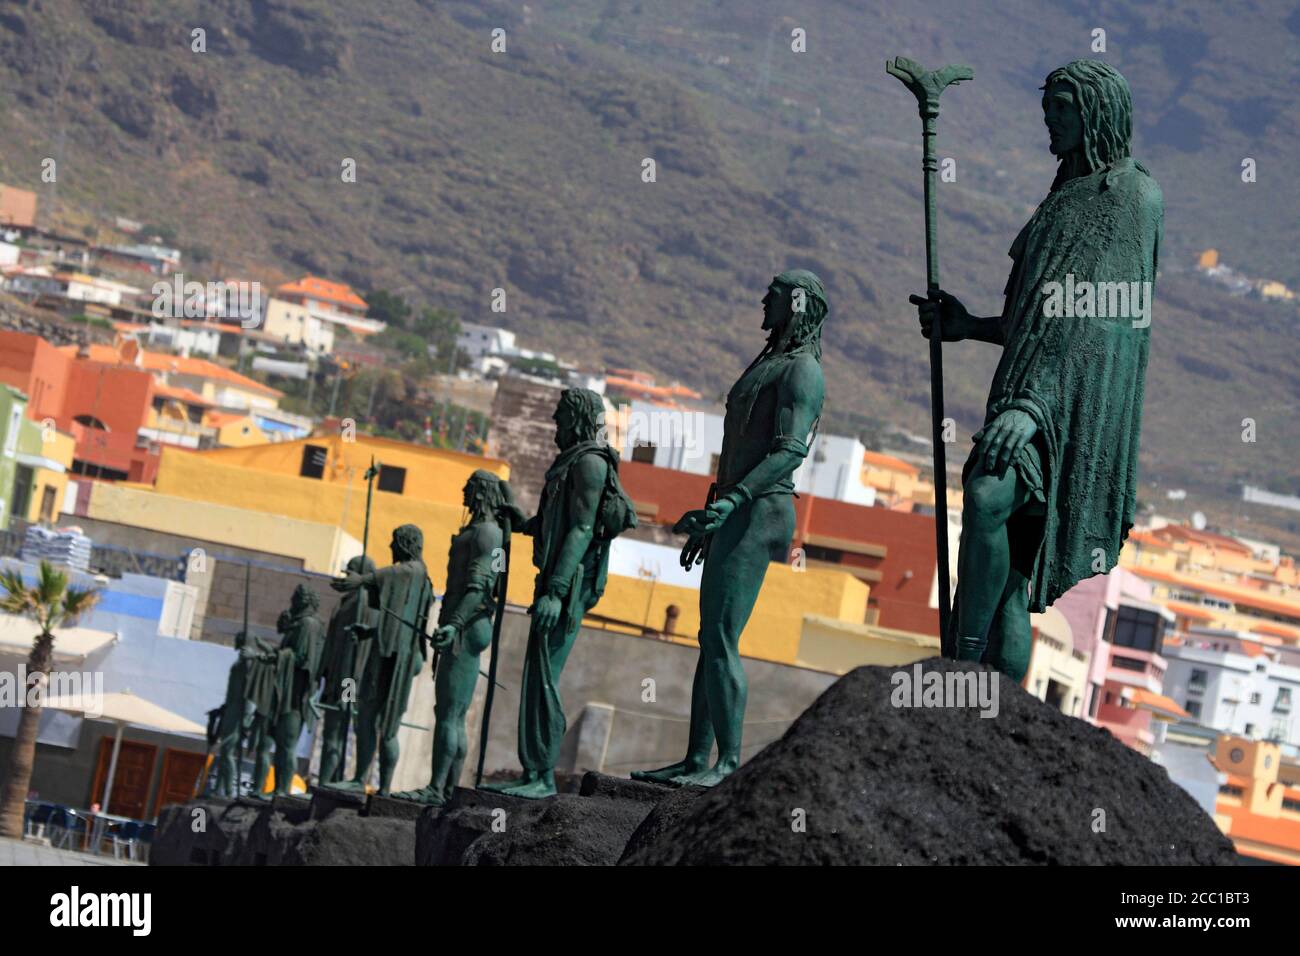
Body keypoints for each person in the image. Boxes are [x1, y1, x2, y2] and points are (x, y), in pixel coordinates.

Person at [911, 60, 1163, 679]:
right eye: (1047, 108)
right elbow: (1039, 320)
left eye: (1062, 109)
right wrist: (969, 327)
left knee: (989, 495)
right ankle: (997, 711)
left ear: (1096, 112)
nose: (1049, 121)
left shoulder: (1132, 197)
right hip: (1023, 394)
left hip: (1069, 406)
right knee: (1011, 593)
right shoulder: (1062, 195)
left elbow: (1102, 325)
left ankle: (962, 669)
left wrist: (1033, 408)